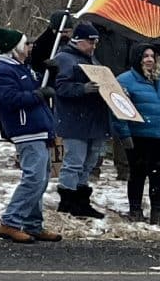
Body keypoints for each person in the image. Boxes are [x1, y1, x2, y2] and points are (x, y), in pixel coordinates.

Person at [0, 26, 63, 244]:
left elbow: (40, 87)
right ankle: (10, 222)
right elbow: (9, 99)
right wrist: (37, 95)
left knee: (41, 179)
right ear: (14, 48)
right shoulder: (3, 71)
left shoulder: (23, 68)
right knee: (34, 178)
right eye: (25, 44)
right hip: (25, 130)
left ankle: (33, 224)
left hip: (38, 128)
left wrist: (51, 76)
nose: (29, 48)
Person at [47, 19, 112, 220]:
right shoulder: (64, 59)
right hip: (75, 120)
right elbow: (59, 88)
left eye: (95, 42)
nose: (93, 46)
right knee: (74, 162)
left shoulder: (93, 60)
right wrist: (82, 88)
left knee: (88, 163)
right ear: (77, 40)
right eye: (90, 42)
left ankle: (81, 201)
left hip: (94, 120)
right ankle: (67, 202)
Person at [115, 45, 160, 223]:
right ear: (137, 59)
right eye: (145, 56)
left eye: (152, 56)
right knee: (137, 175)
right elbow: (117, 109)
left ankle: (157, 214)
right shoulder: (125, 80)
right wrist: (124, 134)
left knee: (158, 177)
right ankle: (135, 210)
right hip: (139, 135)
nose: (149, 60)